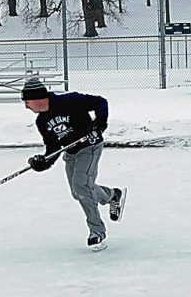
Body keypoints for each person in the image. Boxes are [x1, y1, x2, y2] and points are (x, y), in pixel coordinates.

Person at [21, 78, 126, 251]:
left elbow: (101, 102)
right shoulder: (42, 122)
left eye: (27, 101)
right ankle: (112, 195)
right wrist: (43, 162)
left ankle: (97, 232)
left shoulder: (69, 101)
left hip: (90, 147)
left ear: (38, 98)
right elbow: (53, 147)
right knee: (78, 192)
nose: (26, 106)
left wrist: (98, 125)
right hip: (71, 153)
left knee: (82, 187)